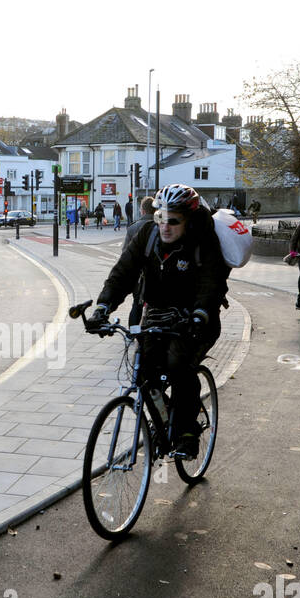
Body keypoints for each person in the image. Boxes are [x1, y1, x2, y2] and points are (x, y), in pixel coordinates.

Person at [86, 184, 229, 457]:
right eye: (160, 217)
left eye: (173, 220)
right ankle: (165, 421)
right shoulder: (147, 237)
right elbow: (123, 272)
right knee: (143, 374)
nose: (165, 226)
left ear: (187, 221)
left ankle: (187, 433)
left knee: (178, 365)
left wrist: (200, 314)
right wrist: (103, 307)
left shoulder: (202, 241)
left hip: (196, 318)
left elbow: (211, 282)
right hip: (156, 314)